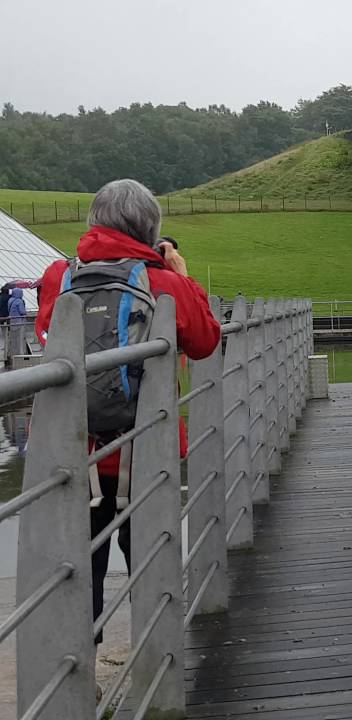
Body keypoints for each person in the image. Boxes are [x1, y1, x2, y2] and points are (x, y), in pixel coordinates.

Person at [35, 179, 222, 649]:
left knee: (78, 568)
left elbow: (46, 334)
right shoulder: (163, 282)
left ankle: (80, 670)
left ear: (94, 221)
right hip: (145, 450)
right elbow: (205, 340)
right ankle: (155, 656)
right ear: (149, 228)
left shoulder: (60, 276)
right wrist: (182, 273)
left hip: (73, 451)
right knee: (150, 559)